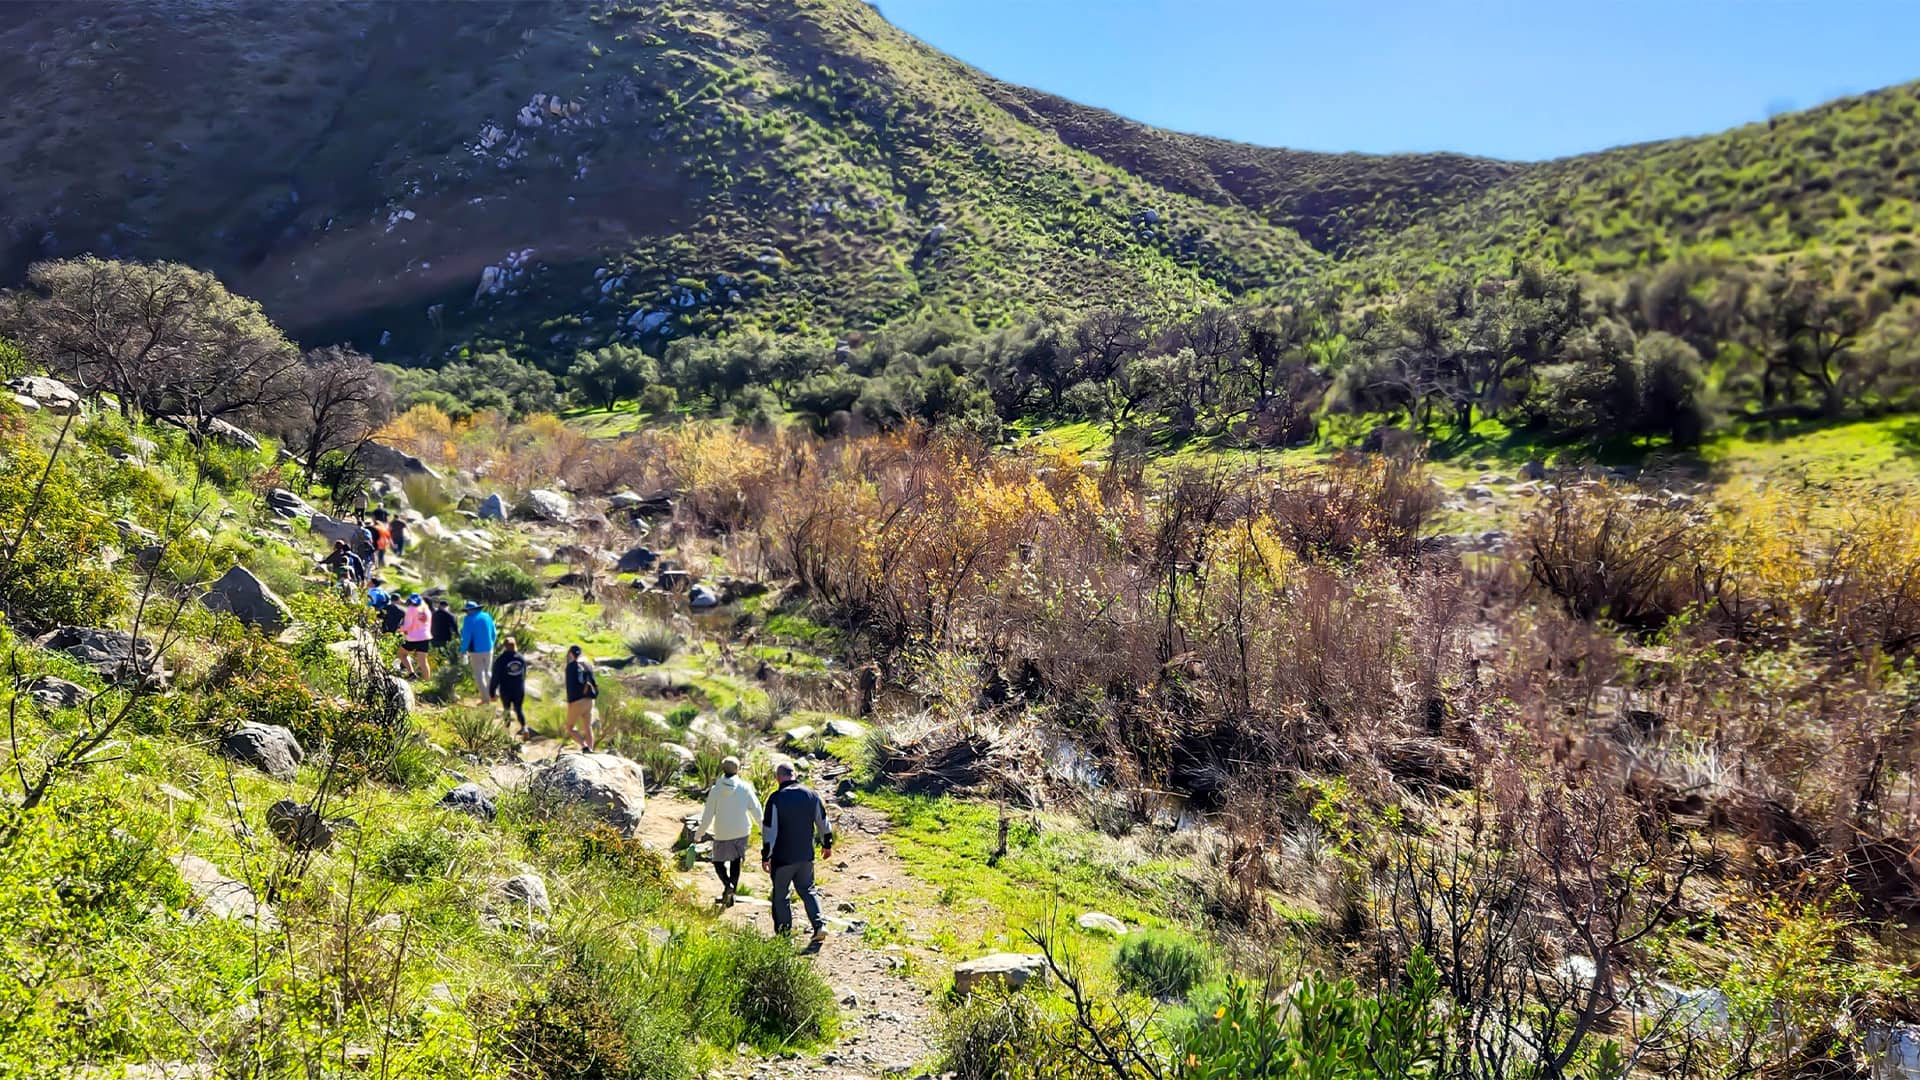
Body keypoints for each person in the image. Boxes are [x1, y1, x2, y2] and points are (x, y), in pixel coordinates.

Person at [761, 762, 834, 948]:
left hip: (782, 858)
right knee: (808, 890)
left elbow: (770, 831)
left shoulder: (776, 799)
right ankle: (819, 925)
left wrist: (765, 855)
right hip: (806, 856)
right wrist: (827, 845)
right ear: (794, 774)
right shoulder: (811, 795)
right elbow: (824, 823)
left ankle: (784, 936)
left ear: (778, 777)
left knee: (781, 895)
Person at [697, 756, 759, 907]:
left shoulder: (716, 790)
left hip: (722, 832)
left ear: (722, 769)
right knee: (735, 862)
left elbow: (707, 815)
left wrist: (698, 834)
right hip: (742, 831)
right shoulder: (745, 788)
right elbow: (756, 810)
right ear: (738, 770)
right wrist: (765, 830)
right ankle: (732, 894)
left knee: (718, 861)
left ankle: (727, 885)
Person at [461, 600, 497, 702]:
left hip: (476, 650)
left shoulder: (468, 619)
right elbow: (494, 633)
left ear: (469, 610)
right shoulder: (487, 616)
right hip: (489, 648)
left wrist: (463, 650)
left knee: (479, 674)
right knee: (488, 672)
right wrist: (491, 644)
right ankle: (493, 694)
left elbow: (466, 637)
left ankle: (486, 699)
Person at [563, 645, 597, 752]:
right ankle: (591, 749)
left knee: (570, 727)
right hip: (590, 700)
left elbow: (570, 686)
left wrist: (570, 702)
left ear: (571, 654)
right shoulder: (588, 665)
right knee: (588, 726)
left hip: (577, 700)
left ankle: (584, 746)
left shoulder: (571, 666)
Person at [491, 636, 529, 734]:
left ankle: (507, 731)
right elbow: (524, 673)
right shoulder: (521, 658)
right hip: (519, 688)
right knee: (518, 709)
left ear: (504, 646)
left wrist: (492, 691)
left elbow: (495, 676)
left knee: (506, 709)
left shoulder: (501, 659)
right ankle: (524, 727)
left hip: (506, 689)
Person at [399, 593, 433, 679]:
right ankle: (427, 682)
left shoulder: (411, 609)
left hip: (412, 638)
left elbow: (408, 625)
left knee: (402, 654)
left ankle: (411, 673)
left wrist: (400, 629)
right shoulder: (426, 610)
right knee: (423, 661)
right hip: (425, 638)